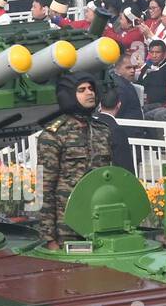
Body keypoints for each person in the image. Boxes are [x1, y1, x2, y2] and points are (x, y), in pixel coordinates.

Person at [36, 72, 111, 249]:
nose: (89, 93)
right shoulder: (54, 135)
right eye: (82, 90)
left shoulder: (102, 130)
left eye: (91, 89)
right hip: (68, 225)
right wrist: (49, 238)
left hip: (101, 220)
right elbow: (44, 187)